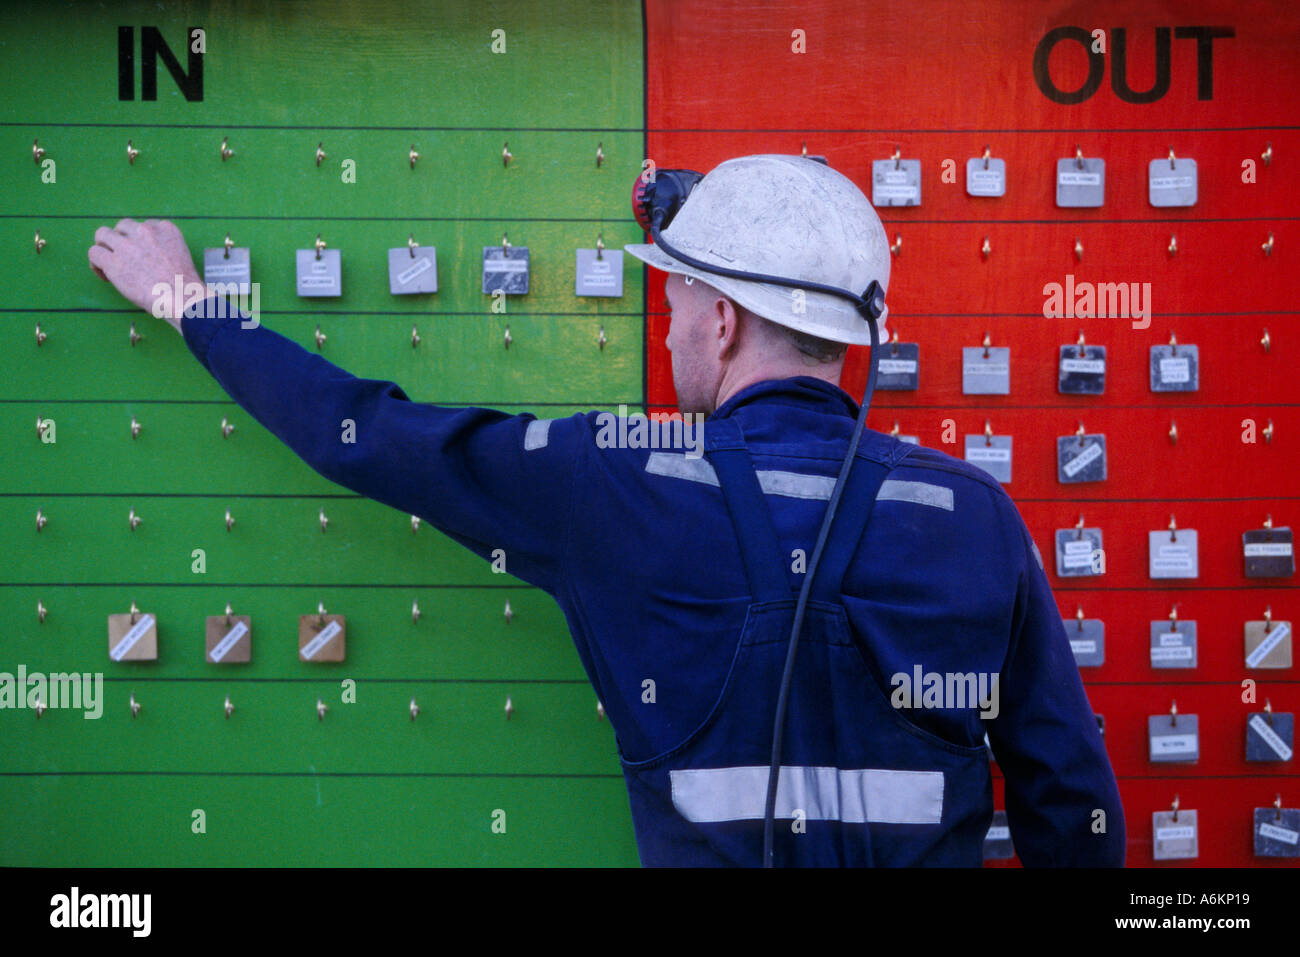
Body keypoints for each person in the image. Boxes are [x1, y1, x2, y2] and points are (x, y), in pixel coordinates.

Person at [86, 154, 1124, 867]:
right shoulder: (976, 516)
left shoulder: (608, 481)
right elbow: (1070, 806)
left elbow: (363, 432)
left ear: (718, 323)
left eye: (670, 305)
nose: (665, 335)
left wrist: (192, 307)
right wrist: (686, 205)